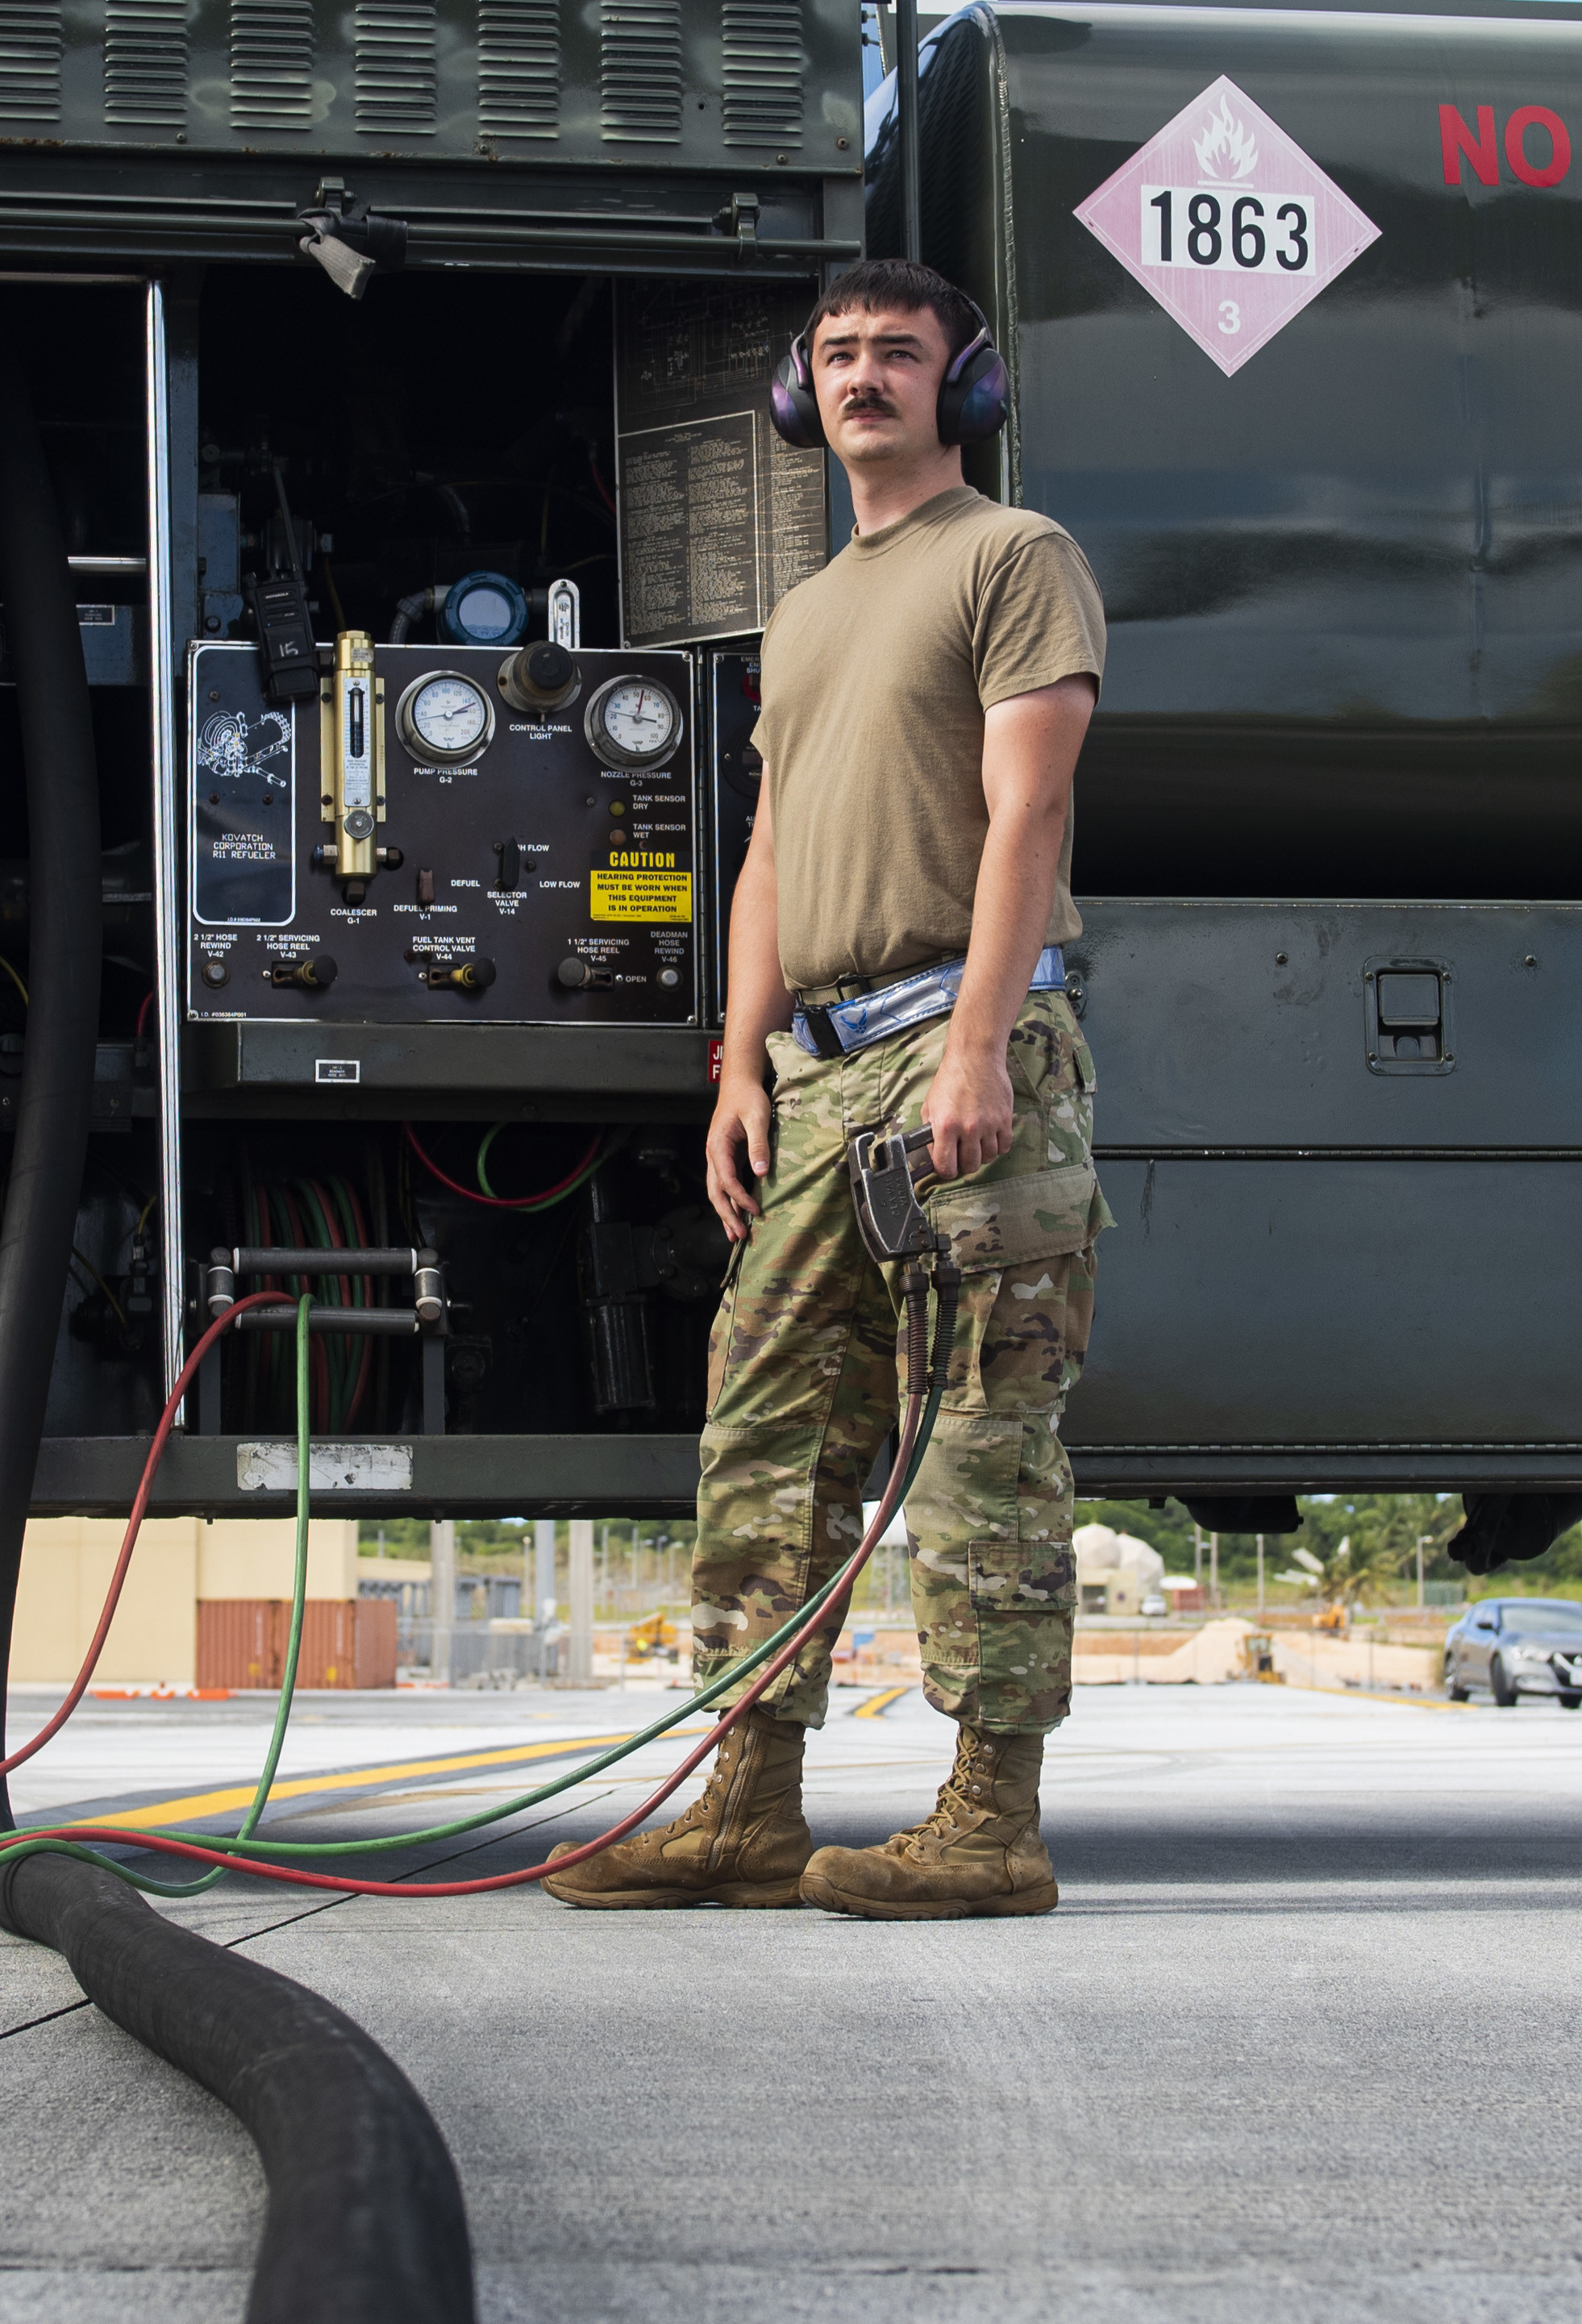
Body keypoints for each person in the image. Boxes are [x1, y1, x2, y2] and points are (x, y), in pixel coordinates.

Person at [544, 258, 1106, 1922]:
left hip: (960, 1048)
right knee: (766, 1434)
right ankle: (746, 1804)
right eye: (838, 353)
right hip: (819, 1076)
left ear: (963, 386)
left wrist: (981, 1043)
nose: (864, 374)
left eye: (898, 352)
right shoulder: (801, 608)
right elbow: (774, 848)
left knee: (980, 1446)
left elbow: (1028, 814)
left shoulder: (1011, 555)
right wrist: (737, 1060)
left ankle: (989, 1821)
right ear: (799, 392)